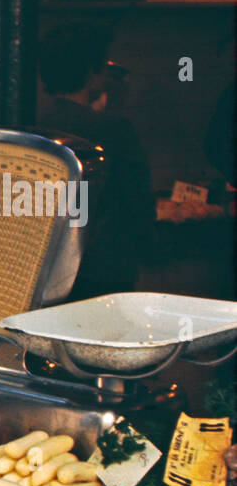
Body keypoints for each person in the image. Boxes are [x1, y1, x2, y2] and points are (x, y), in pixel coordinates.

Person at [37, 24, 155, 301]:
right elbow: (137, 199)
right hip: (104, 269)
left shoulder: (33, 128)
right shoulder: (115, 129)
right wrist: (152, 250)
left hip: (46, 269)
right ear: (92, 74)